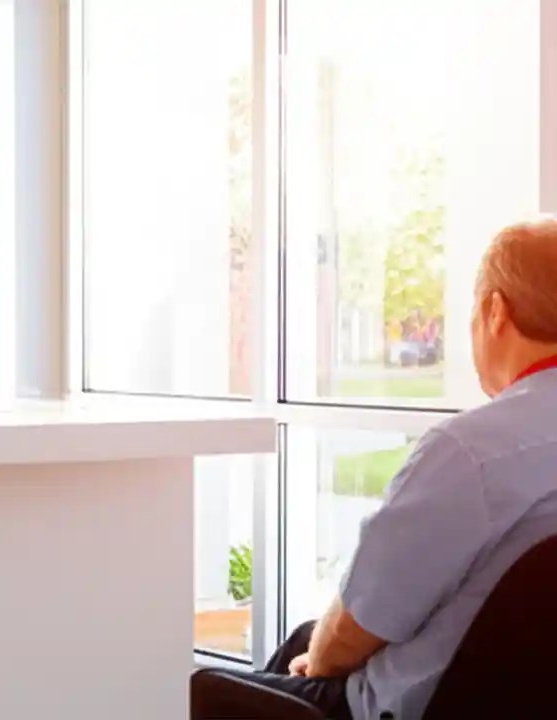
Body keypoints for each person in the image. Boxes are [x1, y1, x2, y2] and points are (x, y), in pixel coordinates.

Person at [192, 216, 557, 720]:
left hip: (416, 704)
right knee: (303, 637)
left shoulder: (474, 452)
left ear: (495, 312)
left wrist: (318, 661)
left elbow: (356, 628)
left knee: (215, 686)